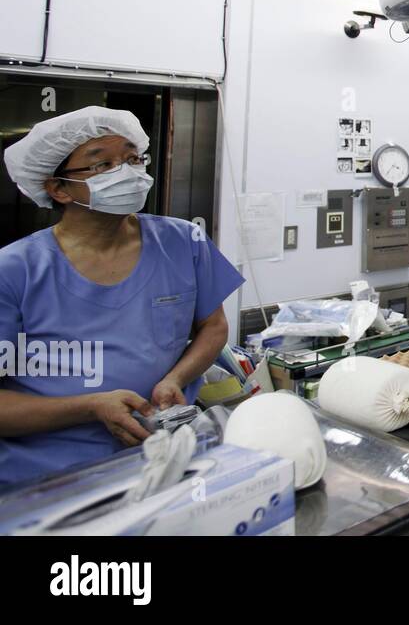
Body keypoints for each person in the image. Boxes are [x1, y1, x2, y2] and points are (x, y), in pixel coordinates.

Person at [0, 106, 244, 489]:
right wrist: (91, 407)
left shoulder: (183, 241)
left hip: (165, 456)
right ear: (58, 188)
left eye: (133, 159)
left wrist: (176, 378)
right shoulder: (15, 270)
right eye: (103, 165)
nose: (127, 173)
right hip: (48, 478)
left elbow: (213, 327)